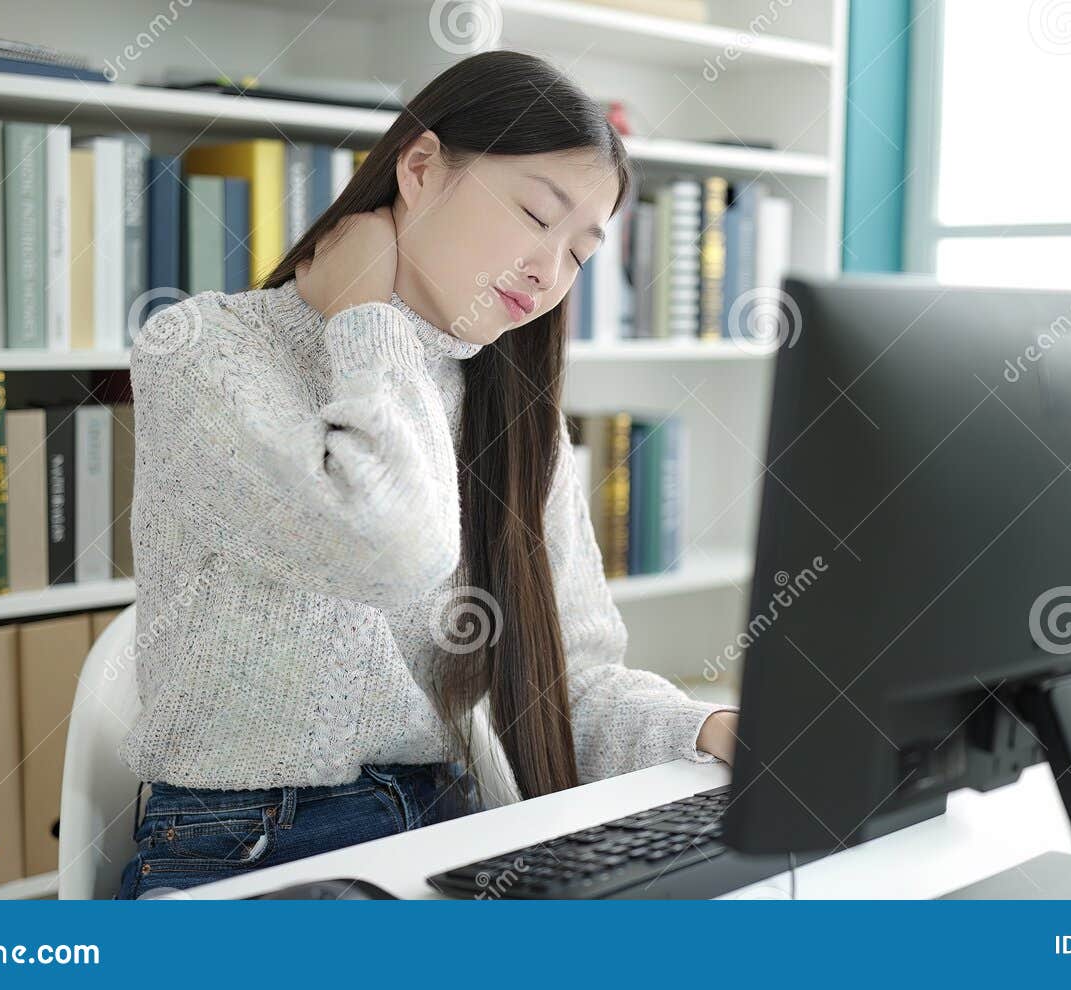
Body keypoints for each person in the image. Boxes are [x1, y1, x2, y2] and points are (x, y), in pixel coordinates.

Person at [113, 50, 739, 900]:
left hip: (457, 823)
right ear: (419, 167)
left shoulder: (511, 412)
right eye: (533, 214)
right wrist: (367, 314)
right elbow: (390, 546)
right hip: (247, 849)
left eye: (581, 254)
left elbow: (572, 683)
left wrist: (713, 728)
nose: (549, 271)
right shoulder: (204, 350)